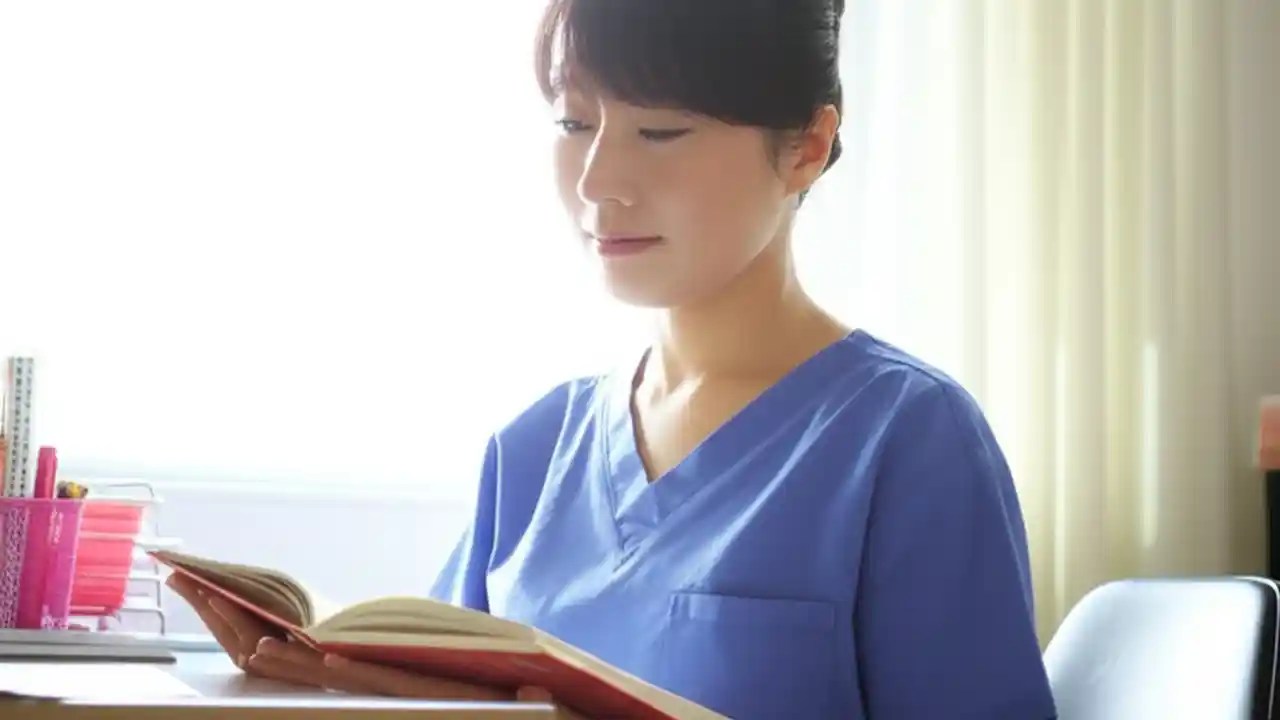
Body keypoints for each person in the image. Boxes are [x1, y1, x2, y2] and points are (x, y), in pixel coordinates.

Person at [168, 0, 1059, 717]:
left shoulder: (907, 442)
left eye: (660, 131)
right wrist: (323, 682)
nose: (598, 180)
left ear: (806, 147)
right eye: (574, 122)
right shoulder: (534, 449)